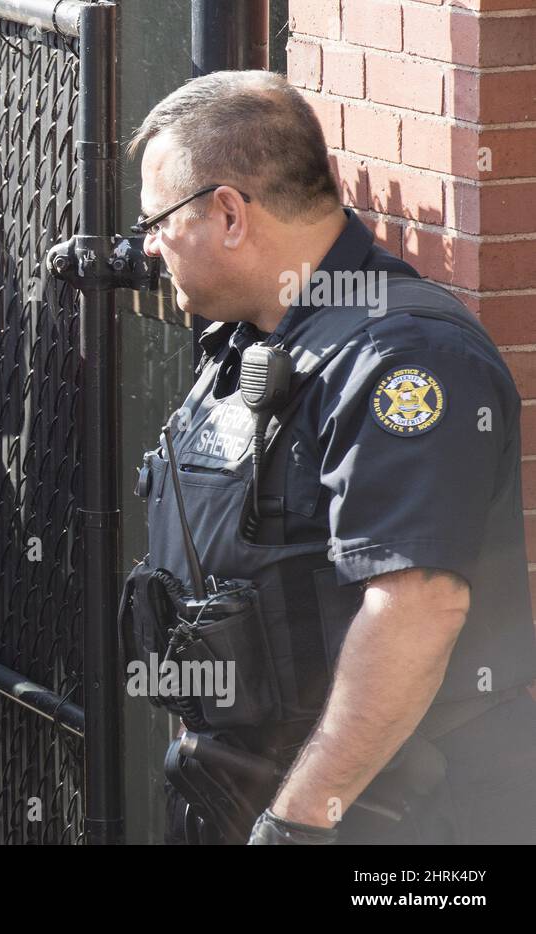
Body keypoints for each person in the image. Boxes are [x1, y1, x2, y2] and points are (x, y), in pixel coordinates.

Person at [124, 70, 536, 845]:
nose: (149, 247)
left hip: (396, 816)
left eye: (157, 222)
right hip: (253, 787)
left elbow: (416, 608)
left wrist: (300, 823)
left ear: (228, 214)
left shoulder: (404, 359)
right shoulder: (262, 334)